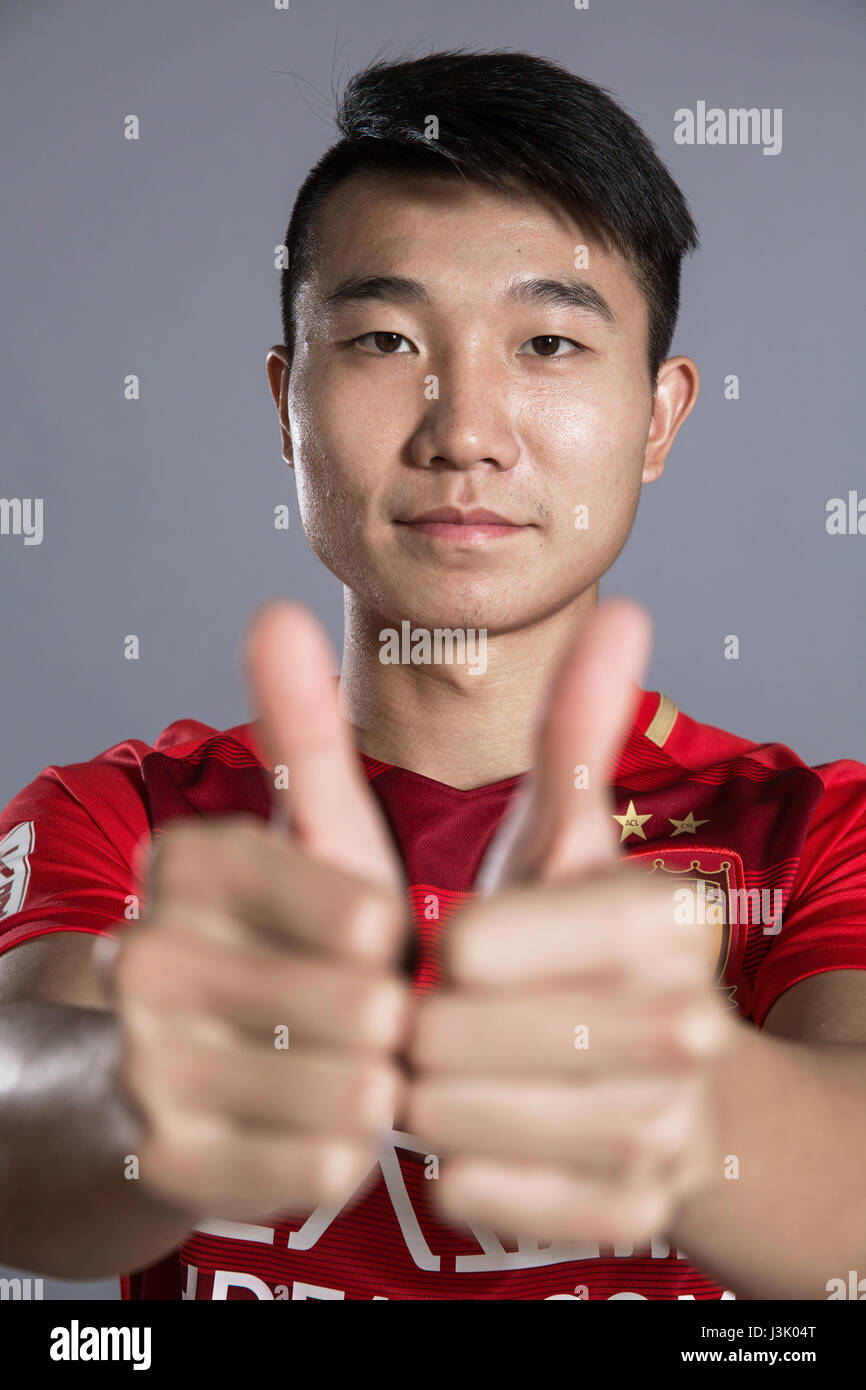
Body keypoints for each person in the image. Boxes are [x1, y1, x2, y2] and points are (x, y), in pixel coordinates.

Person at [2, 48, 866, 1303]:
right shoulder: (125, 823)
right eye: (386, 337)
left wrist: (685, 1103)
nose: (463, 428)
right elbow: (18, 1112)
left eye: (550, 342)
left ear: (660, 416)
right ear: (286, 401)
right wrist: (155, 1092)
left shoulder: (813, 836)